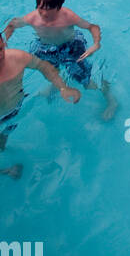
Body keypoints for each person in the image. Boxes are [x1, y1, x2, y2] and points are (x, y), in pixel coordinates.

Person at [3, 0, 115, 119]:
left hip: (71, 47)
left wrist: (96, 43)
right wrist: (5, 41)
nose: (43, 13)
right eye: (40, 8)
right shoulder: (33, 18)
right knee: (50, 71)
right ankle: (57, 87)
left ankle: (111, 100)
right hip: (46, 48)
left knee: (87, 82)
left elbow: (92, 27)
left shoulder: (68, 16)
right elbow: (12, 24)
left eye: (48, 9)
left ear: (58, 7)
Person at [0, 32, 79, 178]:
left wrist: (63, 88)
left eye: (0, 49)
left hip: (15, 110)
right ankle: (6, 170)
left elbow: (44, 66)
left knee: (3, 139)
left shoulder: (17, 57)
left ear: (4, 44)